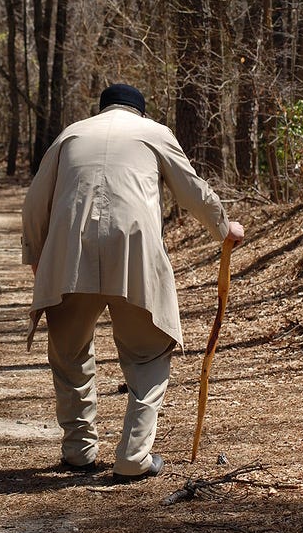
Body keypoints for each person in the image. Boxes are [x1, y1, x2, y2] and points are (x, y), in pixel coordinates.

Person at [21, 83, 244, 482]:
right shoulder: (155, 133)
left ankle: (79, 451)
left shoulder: (71, 134)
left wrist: (37, 257)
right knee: (147, 356)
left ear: (102, 109)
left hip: (71, 253)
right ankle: (134, 456)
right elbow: (191, 190)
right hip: (134, 254)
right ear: (139, 112)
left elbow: (35, 202)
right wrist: (223, 227)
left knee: (70, 355)